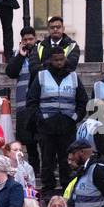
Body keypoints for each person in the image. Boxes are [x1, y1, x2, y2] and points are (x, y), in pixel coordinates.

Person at [28, 49, 88, 194]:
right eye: (56, 60)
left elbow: (83, 100)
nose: (59, 63)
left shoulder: (73, 76)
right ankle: (48, 188)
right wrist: (40, 118)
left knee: (67, 159)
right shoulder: (41, 76)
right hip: (47, 127)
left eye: (62, 59)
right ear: (50, 60)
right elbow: (32, 101)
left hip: (67, 126)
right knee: (47, 159)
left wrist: (75, 117)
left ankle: (67, 187)